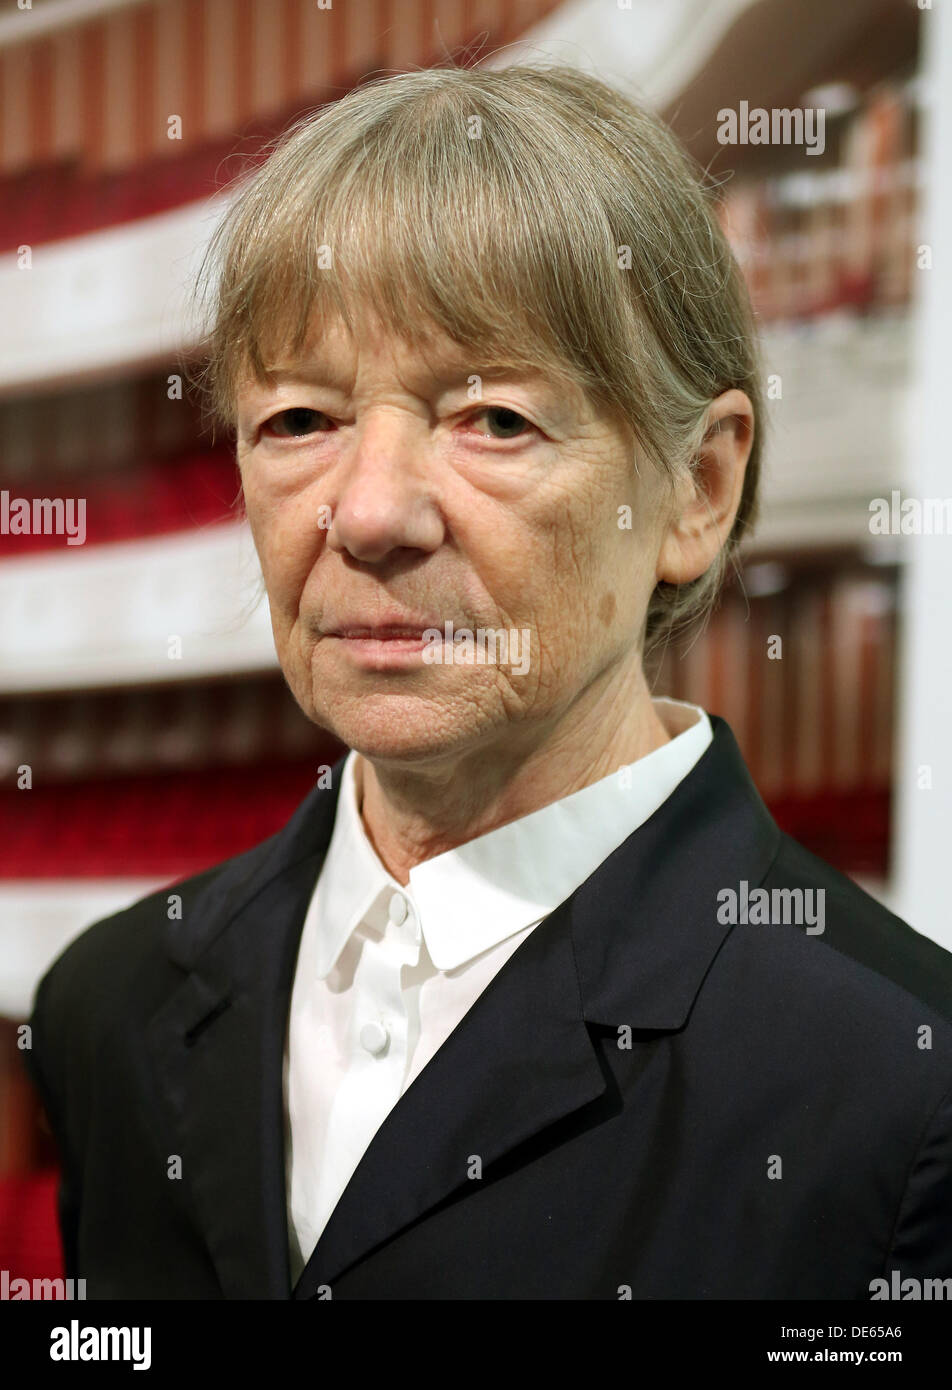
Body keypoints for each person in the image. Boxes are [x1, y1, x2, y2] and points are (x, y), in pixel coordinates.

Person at [23, 62, 952, 1300]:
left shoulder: (903, 1083)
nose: (366, 512)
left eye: (495, 419)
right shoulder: (110, 1005)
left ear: (697, 488)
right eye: (299, 420)